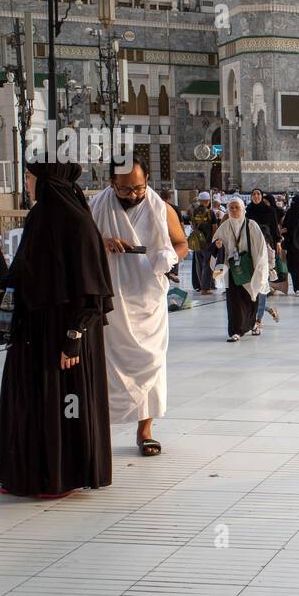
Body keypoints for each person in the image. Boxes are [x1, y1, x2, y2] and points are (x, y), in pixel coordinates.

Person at [0, 160, 115, 498]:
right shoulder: (38, 219)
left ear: (46, 182)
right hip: (32, 332)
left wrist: (74, 338)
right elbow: (22, 267)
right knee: (27, 403)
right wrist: (1, 288)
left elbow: (92, 291)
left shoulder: (77, 224)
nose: (26, 184)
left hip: (63, 335)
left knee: (63, 404)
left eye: (29, 178)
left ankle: (61, 477)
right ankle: (26, 475)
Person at [89, 155, 186, 457]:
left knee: (151, 362)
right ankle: (99, 429)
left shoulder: (161, 208)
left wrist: (170, 258)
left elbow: (181, 244)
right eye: (125, 190)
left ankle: (145, 431)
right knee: (106, 365)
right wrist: (102, 242)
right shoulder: (95, 207)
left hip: (147, 297)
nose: (133, 195)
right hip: (111, 296)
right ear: (111, 184)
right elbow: (78, 244)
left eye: (139, 188)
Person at [212, 196, 268, 341]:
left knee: (250, 299)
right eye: (231, 208)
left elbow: (261, 249)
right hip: (232, 270)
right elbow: (214, 247)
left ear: (243, 209)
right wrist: (217, 246)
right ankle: (235, 331)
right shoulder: (224, 226)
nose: (234, 210)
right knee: (234, 301)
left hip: (249, 268)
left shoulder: (251, 225)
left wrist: (260, 269)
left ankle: (253, 324)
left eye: (237, 207)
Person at [188, 192, 218, 294]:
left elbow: (192, 225)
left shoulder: (194, 211)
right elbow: (214, 228)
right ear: (207, 201)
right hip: (207, 242)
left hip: (197, 241)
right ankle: (205, 288)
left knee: (199, 264)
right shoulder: (210, 212)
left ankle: (200, 285)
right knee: (208, 264)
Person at [283, 194, 299, 295]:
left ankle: (298, 288)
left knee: (295, 268)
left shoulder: (290, 212)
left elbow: (285, 227)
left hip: (292, 245)